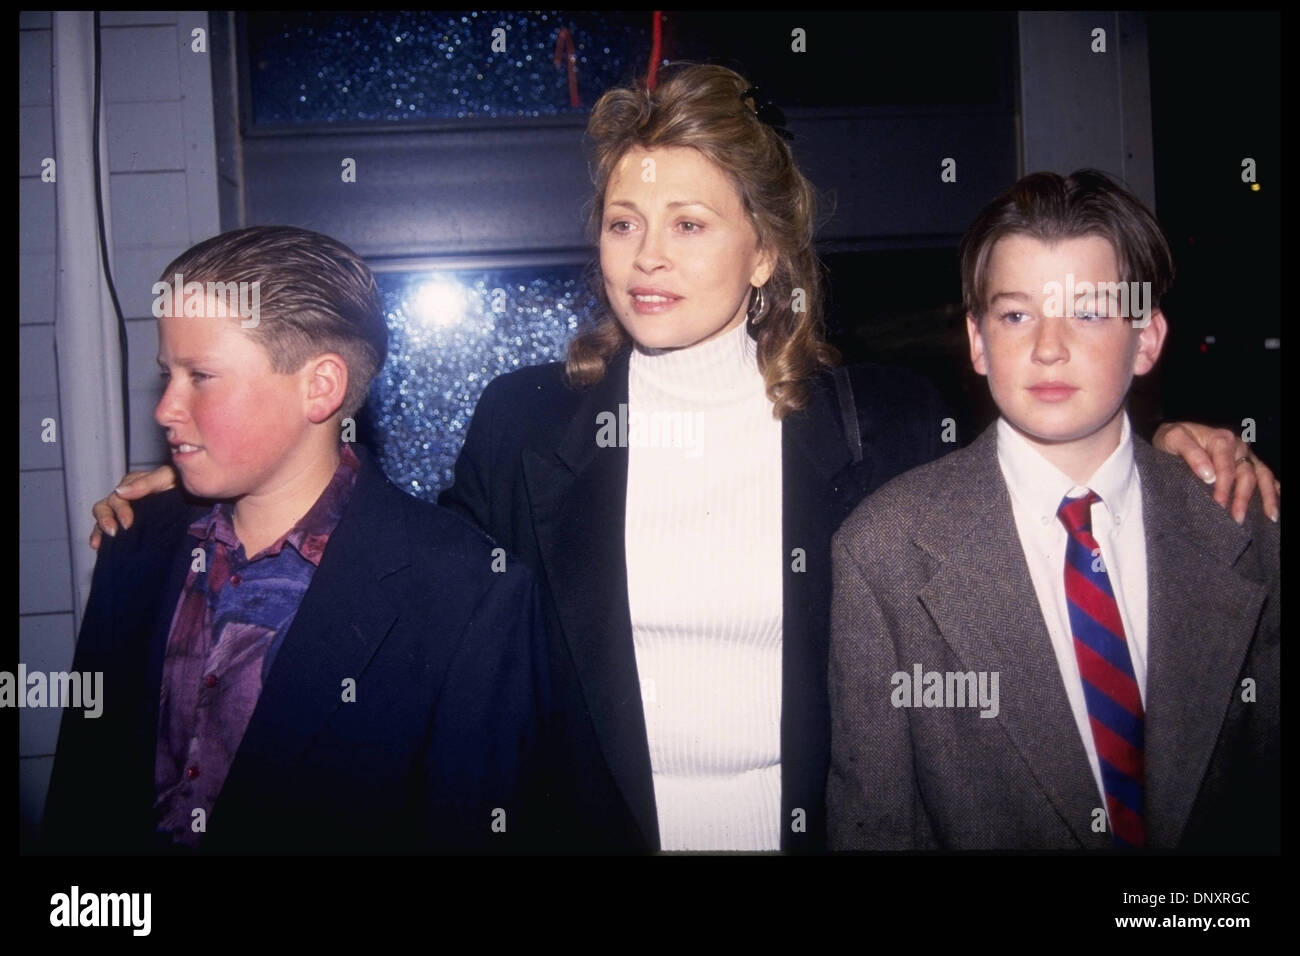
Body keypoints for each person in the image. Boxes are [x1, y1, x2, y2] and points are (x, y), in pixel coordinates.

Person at [86, 68, 1276, 853]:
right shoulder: (523, 426)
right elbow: (410, 586)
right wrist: (215, 495)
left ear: (764, 251)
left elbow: (1035, 481)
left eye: (691, 222)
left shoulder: (886, 421)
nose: (644, 257)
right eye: (621, 221)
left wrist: (1170, 444)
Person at [46, 226, 549, 854]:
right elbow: (81, 798)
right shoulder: (135, 534)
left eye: (201, 375)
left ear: (320, 387)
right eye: (166, 373)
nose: (165, 408)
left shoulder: (464, 593)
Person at [827, 170, 1279, 851]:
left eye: (1089, 311)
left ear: (1148, 338)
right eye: (1016, 315)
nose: (1047, 347)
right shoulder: (883, 552)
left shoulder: (1242, 525)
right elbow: (874, 824)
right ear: (978, 342)